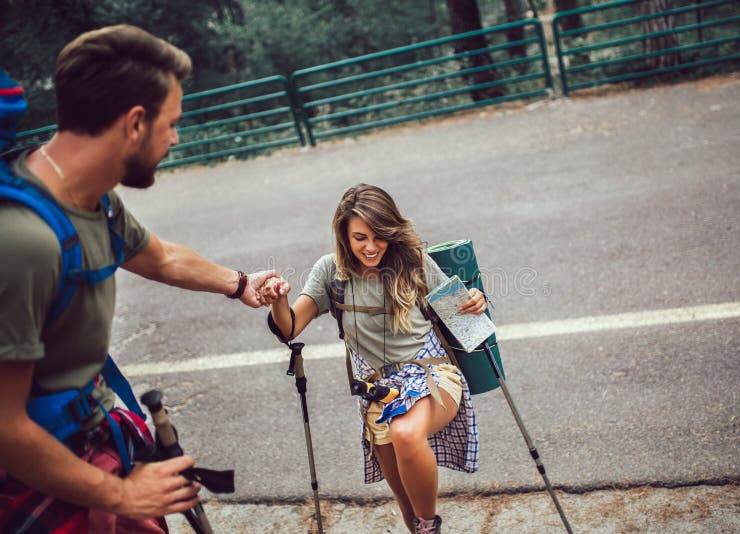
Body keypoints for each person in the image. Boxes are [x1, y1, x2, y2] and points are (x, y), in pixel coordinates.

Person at [0, 25, 279, 532]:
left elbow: (161, 256)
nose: (175, 137)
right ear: (134, 123)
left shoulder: (95, 199)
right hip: (35, 470)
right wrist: (121, 493)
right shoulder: (24, 243)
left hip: (88, 431)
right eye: (171, 123)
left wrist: (240, 285)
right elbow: (5, 429)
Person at [264, 183, 484, 534]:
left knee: (406, 433)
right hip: (377, 393)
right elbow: (289, 327)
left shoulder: (412, 261)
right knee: (405, 501)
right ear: (344, 235)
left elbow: (464, 319)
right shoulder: (330, 272)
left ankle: (430, 527)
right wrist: (277, 299)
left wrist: (474, 300)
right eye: (360, 237)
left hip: (431, 374)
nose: (370, 246)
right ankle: (420, 525)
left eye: (379, 236)